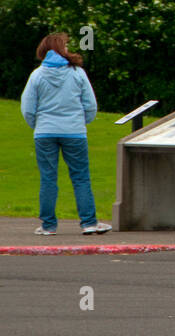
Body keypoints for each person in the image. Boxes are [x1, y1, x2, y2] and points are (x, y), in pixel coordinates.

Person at [20, 32, 112, 235]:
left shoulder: (37, 75)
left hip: (44, 132)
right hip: (74, 132)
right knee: (80, 177)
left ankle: (48, 225)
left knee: (48, 178)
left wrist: (37, 124)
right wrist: (80, 121)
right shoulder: (77, 72)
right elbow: (90, 104)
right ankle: (89, 223)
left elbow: (28, 107)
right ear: (61, 49)